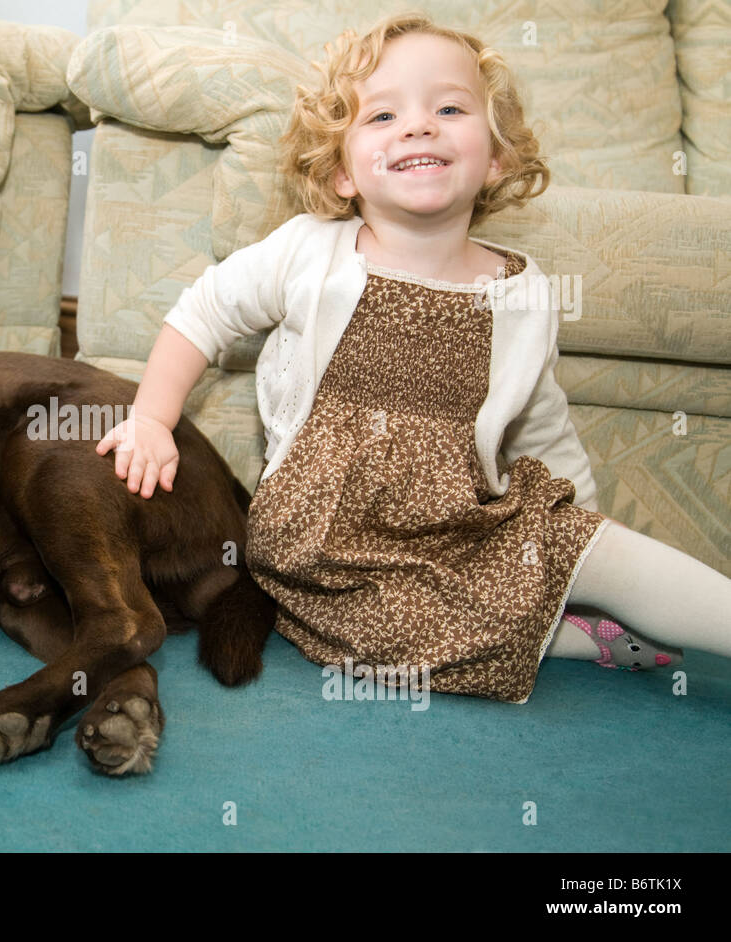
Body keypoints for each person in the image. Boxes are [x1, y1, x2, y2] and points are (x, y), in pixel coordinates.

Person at [95, 11, 731, 703]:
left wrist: (578, 536)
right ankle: (576, 638)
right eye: (382, 115)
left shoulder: (522, 290)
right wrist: (152, 420)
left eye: (450, 107)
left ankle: (647, 612)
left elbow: (541, 423)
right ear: (342, 171)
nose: (419, 125)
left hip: (463, 521)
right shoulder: (310, 249)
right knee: (375, 637)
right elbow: (204, 312)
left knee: (595, 553)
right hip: (331, 542)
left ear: (496, 156)